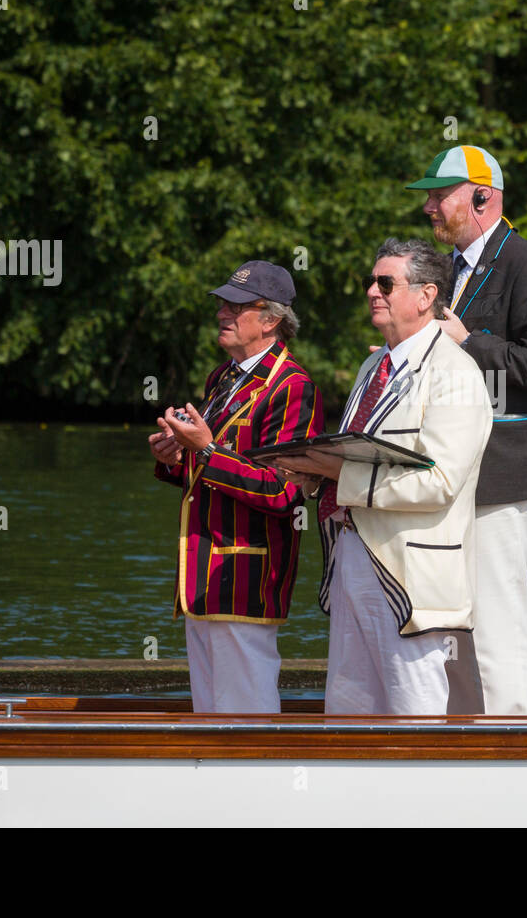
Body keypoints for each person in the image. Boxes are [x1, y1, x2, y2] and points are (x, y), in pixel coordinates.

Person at [405, 145, 527, 715]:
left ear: (483, 197)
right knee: (455, 615)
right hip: (460, 470)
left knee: (497, 615)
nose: (430, 207)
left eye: (440, 195)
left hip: (509, 468)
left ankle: (510, 738)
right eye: (429, 197)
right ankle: (464, 734)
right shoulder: (450, 270)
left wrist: (468, 343)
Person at [274, 239, 491, 715]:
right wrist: (309, 472)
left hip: (413, 578)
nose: (373, 291)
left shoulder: (457, 374)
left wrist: (341, 474)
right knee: (349, 712)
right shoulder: (372, 365)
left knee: (419, 716)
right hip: (350, 558)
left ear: (426, 295)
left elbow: (439, 483)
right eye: (371, 281)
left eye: (386, 283)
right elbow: (355, 456)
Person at [150, 260, 323, 713]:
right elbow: (208, 469)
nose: (223, 313)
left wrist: (205, 450)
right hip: (204, 574)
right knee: (208, 710)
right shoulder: (223, 376)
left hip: (247, 577)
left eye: (238, 306)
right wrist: (174, 457)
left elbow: (283, 493)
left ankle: (261, 780)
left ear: (271, 319)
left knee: (245, 709)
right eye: (223, 303)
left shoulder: (293, 387)